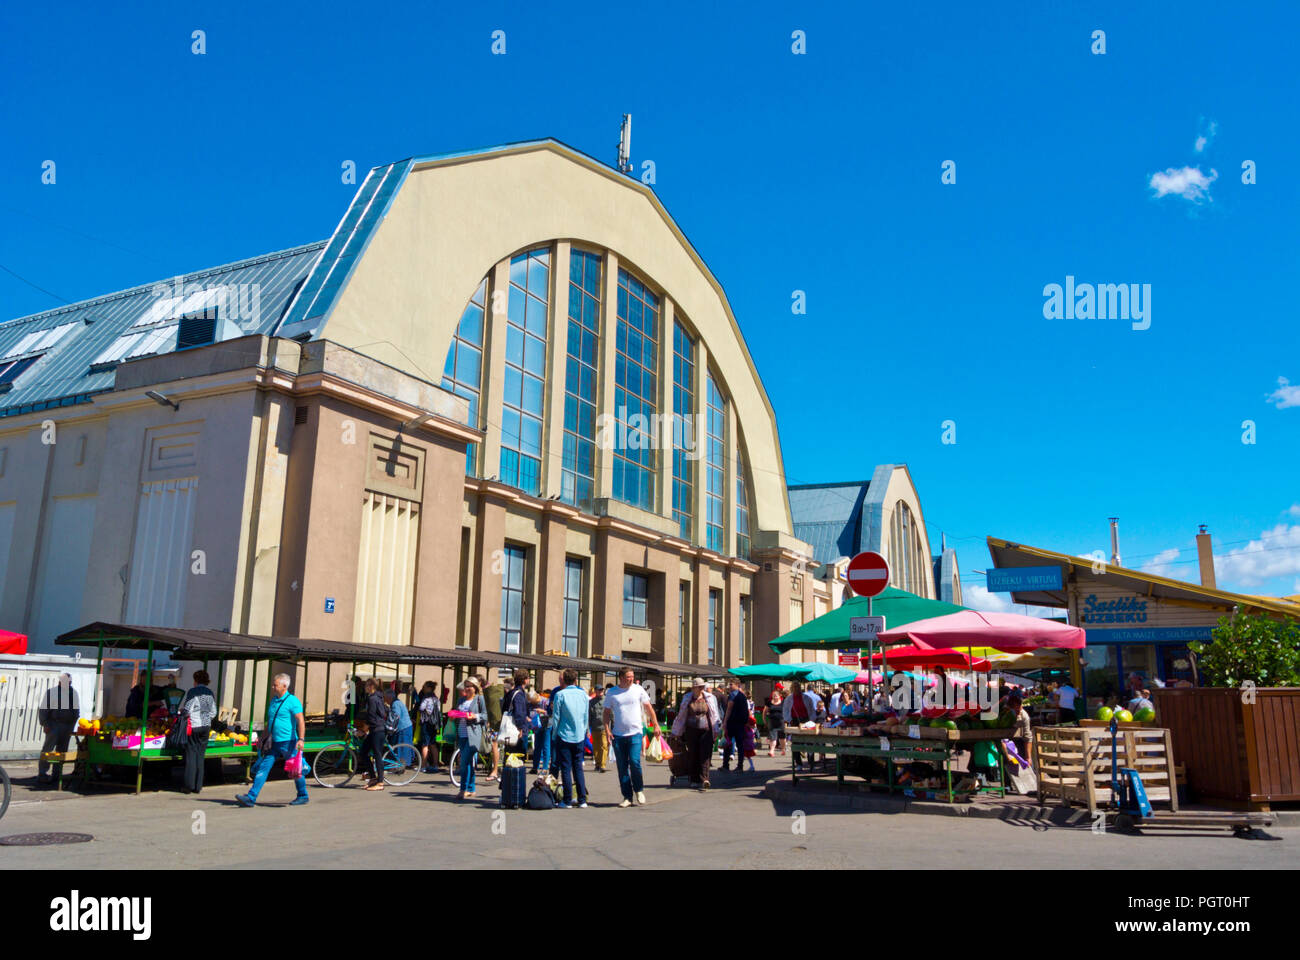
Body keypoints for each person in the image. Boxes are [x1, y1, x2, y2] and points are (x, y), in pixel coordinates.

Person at [237, 673, 308, 807]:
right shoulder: (274, 700)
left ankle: (303, 795)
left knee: (295, 769)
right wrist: (262, 737)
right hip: (273, 742)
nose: (273, 687)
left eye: (275, 685)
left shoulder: (293, 701)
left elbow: (300, 720)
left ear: (284, 686)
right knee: (263, 768)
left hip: (288, 742)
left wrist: (301, 739)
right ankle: (251, 797)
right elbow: (270, 721)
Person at [603, 667, 659, 807]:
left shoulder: (638, 689)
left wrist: (656, 725)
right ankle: (627, 797)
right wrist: (607, 729)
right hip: (618, 735)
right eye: (628, 677)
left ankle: (639, 790)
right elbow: (606, 712)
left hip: (635, 732)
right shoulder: (612, 692)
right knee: (622, 767)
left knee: (635, 762)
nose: (631, 679)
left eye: (632, 676)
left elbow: (648, 708)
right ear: (621, 677)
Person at [671, 678, 721, 790]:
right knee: (693, 754)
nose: (702, 688)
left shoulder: (710, 698)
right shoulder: (687, 698)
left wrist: (716, 730)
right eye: (699, 686)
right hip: (691, 730)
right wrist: (676, 731)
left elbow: (715, 715)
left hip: (706, 729)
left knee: (706, 754)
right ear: (694, 688)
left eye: (702, 686)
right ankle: (694, 779)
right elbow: (681, 715)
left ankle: (705, 779)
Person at [551, 669, 590, 808]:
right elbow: (586, 717)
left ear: (564, 680)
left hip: (564, 735)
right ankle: (582, 799)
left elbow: (556, 717)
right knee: (578, 768)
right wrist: (585, 731)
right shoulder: (584, 695)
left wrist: (554, 734)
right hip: (579, 735)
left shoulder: (560, 695)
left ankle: (567, 800)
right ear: (575, 680)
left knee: (566, 768)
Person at [177, 670, 217, 794]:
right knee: (200, 755)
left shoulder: (193, 692)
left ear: (196, 680)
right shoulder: (210, 693)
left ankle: (189, 785)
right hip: (206, 726)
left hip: (194, 725)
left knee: (191, 755)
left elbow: (187, 710)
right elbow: (213, 712)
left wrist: (180, 712)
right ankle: (198, 785)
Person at [37, 673, 80, 785]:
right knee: (48, 750)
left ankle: (56, 774)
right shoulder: (52, 692)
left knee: (61, 752)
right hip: (53, 724)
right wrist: (45, 724)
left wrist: (72, 725)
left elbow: (76, 711)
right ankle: (42, 773)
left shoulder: (73, 693)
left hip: (67, 726)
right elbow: (43, 710)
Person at [455, 678, 487, 800]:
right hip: (462, 734)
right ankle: (471, 788)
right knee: (467, 762)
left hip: (473, 735)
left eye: (470, 686)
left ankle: (463, 789)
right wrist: (454, 715)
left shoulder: (480, 699)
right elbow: (458, 713)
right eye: (466, 686)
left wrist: (475, 716)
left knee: (464, 762)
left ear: (475, 688)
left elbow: (485, 715)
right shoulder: (461, 700)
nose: (467, 688)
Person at [359, 679, 389, 791]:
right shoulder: (378, 697)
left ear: (371, 686)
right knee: (363, 752)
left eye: (366, 685)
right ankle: (373, 778)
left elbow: (370, 717)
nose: (365, 687)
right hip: (375, 730)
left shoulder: (372, 698)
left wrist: (362, 730)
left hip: (377, 729)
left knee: (377, 755)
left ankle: (380, 782)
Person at [721, 678, 753, 773]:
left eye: (731, 684)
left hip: (732, 723)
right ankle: (740, 766)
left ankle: (725, 765)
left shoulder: (732, 695)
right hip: (741, 724)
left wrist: (725, 722)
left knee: (728, 743)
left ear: (736, 685)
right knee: (740, 745)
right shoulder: (743, 696)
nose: (729, 686)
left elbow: (729, 709)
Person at [501, 669, 531, 758]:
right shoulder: (519, 694)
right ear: (525, 680)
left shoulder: (511, 692)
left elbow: (504, 709)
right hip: (517, 729)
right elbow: (519, 712)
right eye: (528, 678)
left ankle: (508, 771)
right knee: (517, 755)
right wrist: (520, 728)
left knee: (509, 754)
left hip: (509, 728)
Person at [483, 673, 506, 782]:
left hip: (494, 724)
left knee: (494, 745)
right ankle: (495, 769)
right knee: (495, 745)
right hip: (498, 723)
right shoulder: (496, 692)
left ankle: (495, 770)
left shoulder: (488, 694)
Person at [416, 681, 443, 774]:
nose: (423, 688)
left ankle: (423, 765)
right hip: (434, 724)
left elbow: (421, 708)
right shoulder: (436, 698)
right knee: (433, 744)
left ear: (429, 688)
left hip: (426, 723)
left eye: (425, 687)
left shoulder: (426, 698)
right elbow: (439, 710)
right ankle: (435, 764)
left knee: (425, 745)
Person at [589, 684, 610, 773]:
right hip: (594, 727)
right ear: (596, 691)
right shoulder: (591, 702)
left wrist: (613, 727)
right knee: (596, 747)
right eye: (599, 690)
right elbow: (589, 715)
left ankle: (603, 765)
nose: (601, 691)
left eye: (602, 690)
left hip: (604, 727)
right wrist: (587, 729)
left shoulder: (607, 700)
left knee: (604, 746)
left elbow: (611, 714)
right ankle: (597, 764)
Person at [765, 691, 786, 757]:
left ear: (779, 696)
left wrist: (787, 720)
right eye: (773, 695)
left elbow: (786, 711)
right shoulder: (769, 703)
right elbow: (765, 711)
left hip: (781, 721)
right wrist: (764, 720)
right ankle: (772, 751)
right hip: (772, 721)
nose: (775, 696)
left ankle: (783, 749)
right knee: (772, 737)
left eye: (776, 695)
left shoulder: (783, 702)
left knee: (782, 737)